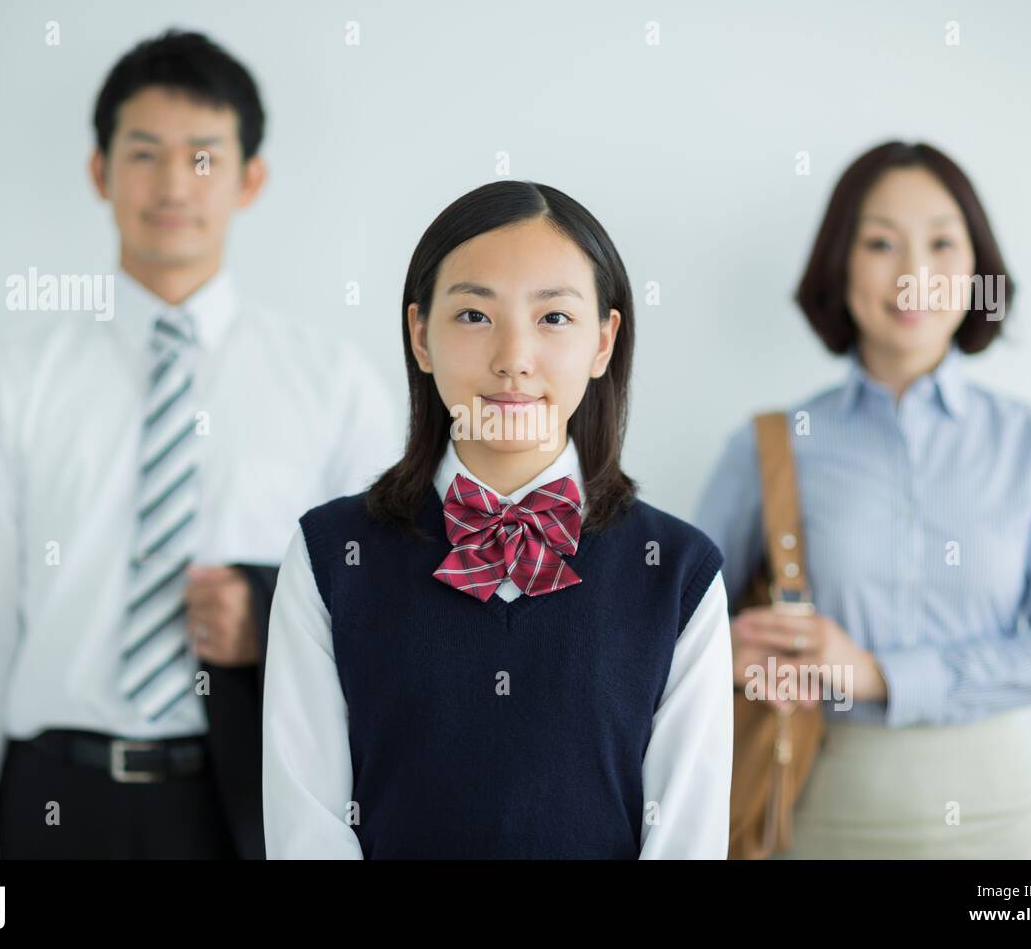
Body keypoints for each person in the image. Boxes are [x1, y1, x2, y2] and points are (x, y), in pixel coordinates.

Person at [0, 29, 400, 859]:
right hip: (51, 801)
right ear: (100, 172)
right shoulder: (15, 379)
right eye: (145, 153)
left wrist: (274, 610)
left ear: (250, 178)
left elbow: (392, 607)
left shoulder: (333, 385)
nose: (175, 182)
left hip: (247, 803)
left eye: (204, 156)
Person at [262, 179, 733, 859]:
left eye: (553, 318)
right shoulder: (331, 556)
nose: (514, 357)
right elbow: (307, 824)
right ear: (419, 336)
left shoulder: (678, 573)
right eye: (475, 316)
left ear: (604, 342)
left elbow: (685, 839)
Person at [696, 141, 1031, 858]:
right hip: (818, 813)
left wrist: (882, 674)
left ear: (978, 266)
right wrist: (738, 657)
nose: (914, 274)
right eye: (882, 242)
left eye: (942, 243)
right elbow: (683, 632)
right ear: (840, 263)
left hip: (995, 819)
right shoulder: (772, 444)